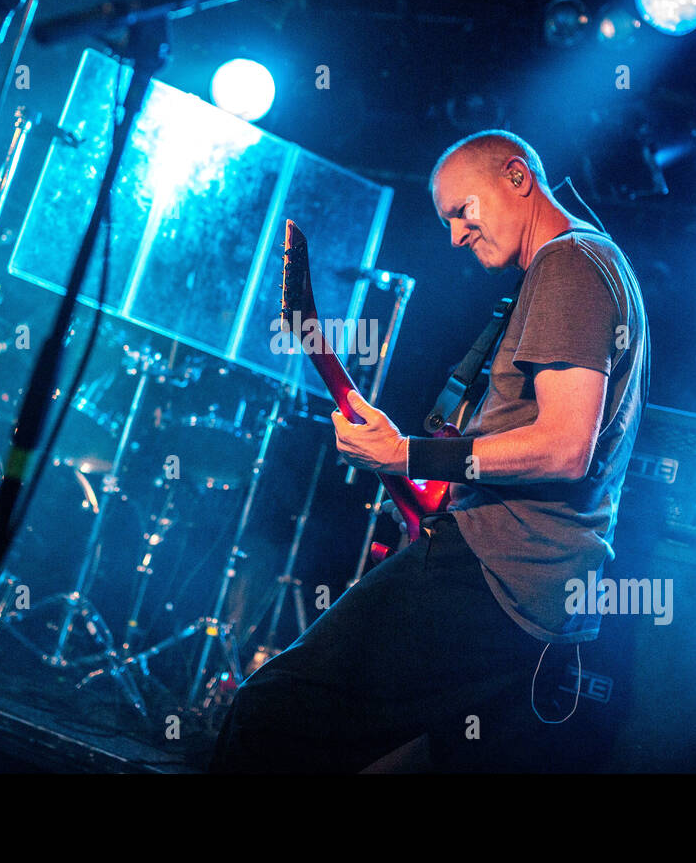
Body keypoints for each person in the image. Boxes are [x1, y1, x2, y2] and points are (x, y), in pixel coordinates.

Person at [209, 129, 649, 773]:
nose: (454, 237)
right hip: (535, 589)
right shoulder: (588, 265)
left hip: (496, 573)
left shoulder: (570, 265)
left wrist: (407, 456)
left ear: (517, 178)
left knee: (272, 715)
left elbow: (563, 449)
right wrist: (417, 470)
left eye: (462, 211)